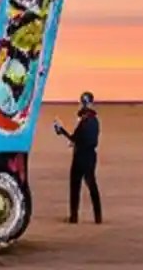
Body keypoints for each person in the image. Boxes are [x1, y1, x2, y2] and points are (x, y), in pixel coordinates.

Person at [53, 91, 101, 224]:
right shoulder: (94, 121)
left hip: (81, 156)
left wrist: (61, 131)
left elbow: (74, 138)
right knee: (92, 186)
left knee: (75, 186)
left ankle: (74, 217)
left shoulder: (85, 121)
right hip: (90, 156)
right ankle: (98, 217)